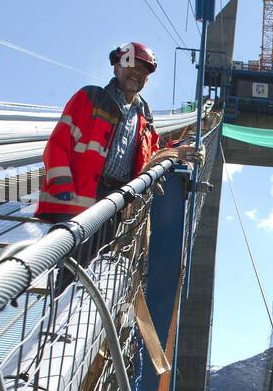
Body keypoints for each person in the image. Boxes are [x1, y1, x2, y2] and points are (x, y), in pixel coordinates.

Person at [35, 41, 201, 277]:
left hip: (116, 200)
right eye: (130, 64)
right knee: (65, 262)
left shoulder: (144, 118)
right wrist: (62, 184)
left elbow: (152, 155)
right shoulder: (90, 98)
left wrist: (177, 151)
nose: (137, 72)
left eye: (144, 70)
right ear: (116, 67)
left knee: (88, 267)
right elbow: (58, 144)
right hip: (77, 195)